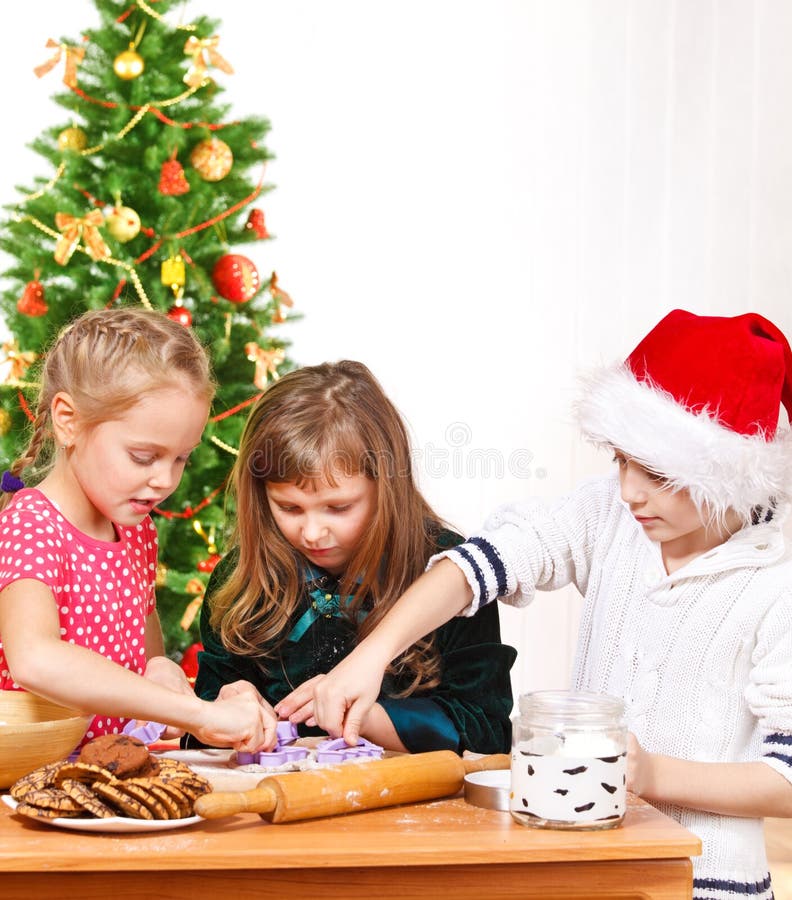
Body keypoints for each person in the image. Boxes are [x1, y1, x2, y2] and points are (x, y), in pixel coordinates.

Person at [308, 310, 792, 899]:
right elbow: (479, 565)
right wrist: (374, 654)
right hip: (584, 871)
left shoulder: (776, 582)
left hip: (705, 885)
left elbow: (785, 780)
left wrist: (651, 774)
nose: (630, 492)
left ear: (731, 474)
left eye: (659, 473)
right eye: (620, 460)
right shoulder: (608, 520)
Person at [186, 360, 516, 754]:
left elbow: (487, 732)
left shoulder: (450, 571)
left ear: (385, 487)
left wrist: (366, 717)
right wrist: (219, 709)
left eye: (338, 507)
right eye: (289, 508)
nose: (311, 533)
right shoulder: (239, 579)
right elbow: (199, 728)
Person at [0, 307, 273, 753]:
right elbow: (34, 659)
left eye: (181, 458)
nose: (165, 480)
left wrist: (163, 672)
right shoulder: (31, 526)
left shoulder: (137, 531)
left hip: (112, 777)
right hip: (31, 789)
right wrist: (198, 714)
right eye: (144, 457)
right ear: (68, 420)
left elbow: (143, 666)